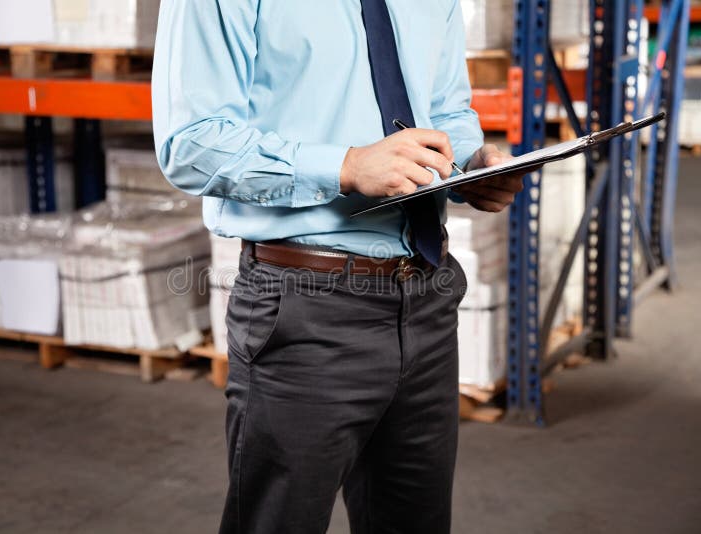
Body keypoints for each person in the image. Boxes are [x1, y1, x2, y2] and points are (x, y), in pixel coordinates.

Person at [152, 1, 526, 532]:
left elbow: (444, 110)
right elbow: (190, 143)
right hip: (305, 307)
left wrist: (469, 164)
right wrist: (345, 167)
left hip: (425, 296)